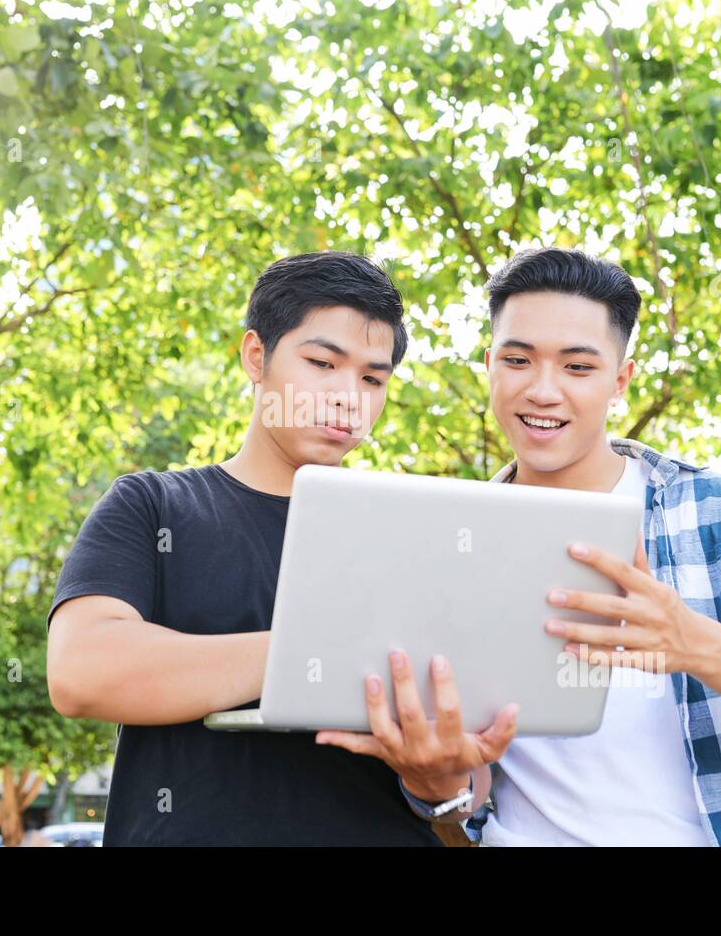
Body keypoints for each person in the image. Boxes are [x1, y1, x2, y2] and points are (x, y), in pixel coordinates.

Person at [317, 247, 721, 846]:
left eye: (578, 368)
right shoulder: (448, 543)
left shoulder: (717, 513)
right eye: (518, 361)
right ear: (491, 365)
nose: (543, 392)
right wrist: (436, 787)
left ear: (619, 380)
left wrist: (693, 642)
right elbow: (464, 800)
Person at [46, 251, 516, 845]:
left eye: (373, 379)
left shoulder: (421, 536)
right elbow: (82, 671)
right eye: (322, 362)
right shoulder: (155, 507)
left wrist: (439, 783)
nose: (349, 396)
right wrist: (319, 653)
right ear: (255, 356)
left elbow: (467, 784)